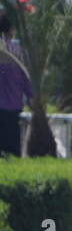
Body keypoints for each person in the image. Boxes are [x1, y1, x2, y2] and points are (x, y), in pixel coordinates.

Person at [0, 12, 32, 157]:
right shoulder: (20, 53)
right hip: (14, 112)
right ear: (11, 30)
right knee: (13, 155)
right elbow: (28, 85)